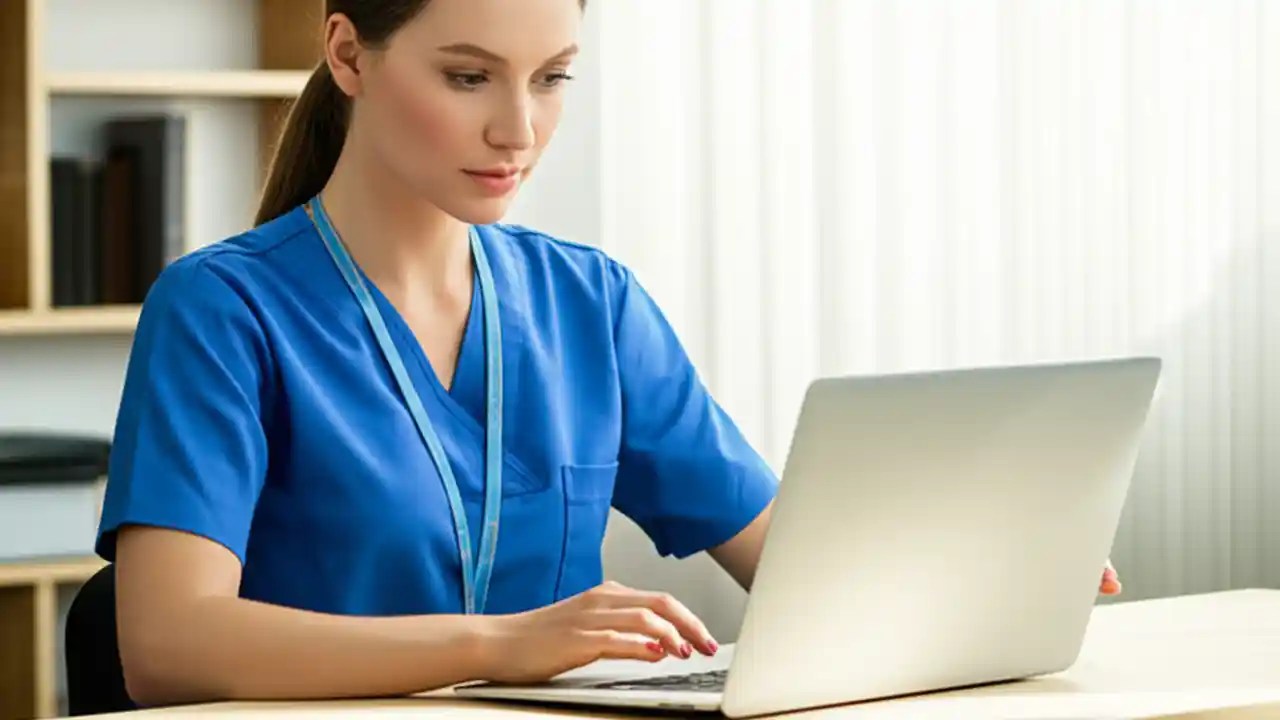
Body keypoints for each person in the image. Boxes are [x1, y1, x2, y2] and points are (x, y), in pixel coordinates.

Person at [96, 0, 1123, 708]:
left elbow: (789, 559)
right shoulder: (220, 311)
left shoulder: (587, 302)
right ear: (348, 55)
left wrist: (982, 576)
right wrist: (501, 645)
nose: (517, 129)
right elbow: (166, 646)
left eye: (551, 81)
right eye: (467, 77)